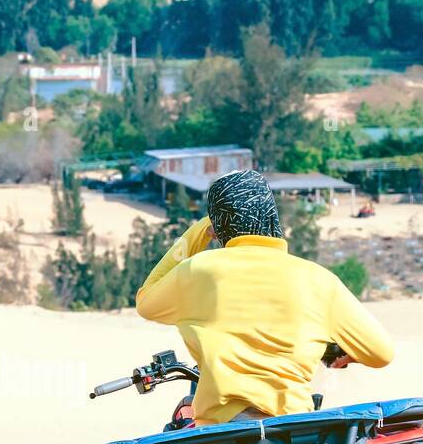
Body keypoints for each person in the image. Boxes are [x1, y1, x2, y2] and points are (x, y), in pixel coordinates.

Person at [136, 169, 394, 424]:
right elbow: (381, 353)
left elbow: (146, 302)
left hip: (220, 432)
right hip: (294, 431)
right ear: (272, 217)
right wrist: (346, 353)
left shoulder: (198, 270)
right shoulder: (319, 279)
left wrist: (200, 230)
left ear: (218, 225)